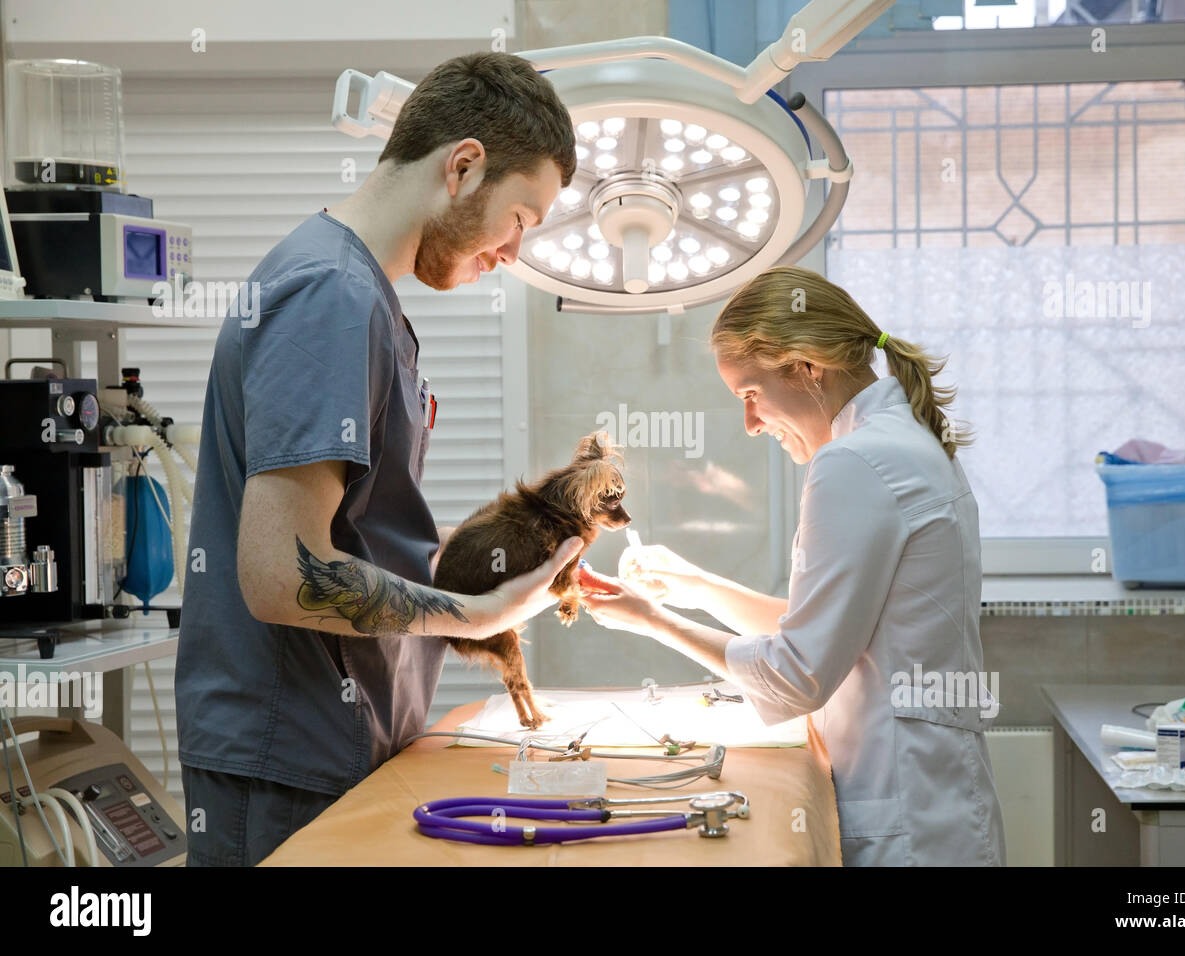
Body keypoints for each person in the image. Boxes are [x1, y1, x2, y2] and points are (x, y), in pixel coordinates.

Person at [175, 52, 583, 866]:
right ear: (464, 167)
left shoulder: (361, 296)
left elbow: (360, 530)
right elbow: (282, 573)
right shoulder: (331, 294)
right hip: (289, 760)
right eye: (522, 220)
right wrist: (478, 614)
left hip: (336, 743)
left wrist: (493, 568)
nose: (514, 251)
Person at [578, 265, 1007, 866]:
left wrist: (653, 621)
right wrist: (695, 586)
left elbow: (799, 674)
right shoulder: (902, 443)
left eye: (750, 394)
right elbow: (834, 631)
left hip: (906, 818)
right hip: (934, 807)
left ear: (808, 366)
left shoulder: (855, 463)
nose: (751, 425)